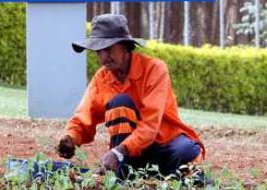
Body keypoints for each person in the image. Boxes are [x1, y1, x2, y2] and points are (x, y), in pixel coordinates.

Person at [56, 13, 204, 177]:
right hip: (130, 157)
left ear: (125, 47)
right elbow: (83, 118)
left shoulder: (154, 69)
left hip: (163, 145)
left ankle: (137, 174)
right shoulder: (101, 78)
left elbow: (150, 126)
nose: (104, 56)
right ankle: (125, 175)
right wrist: (70, 138)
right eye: (98, 51)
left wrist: (119, 152)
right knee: (120, 102)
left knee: (186, 152)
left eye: (108, 48)